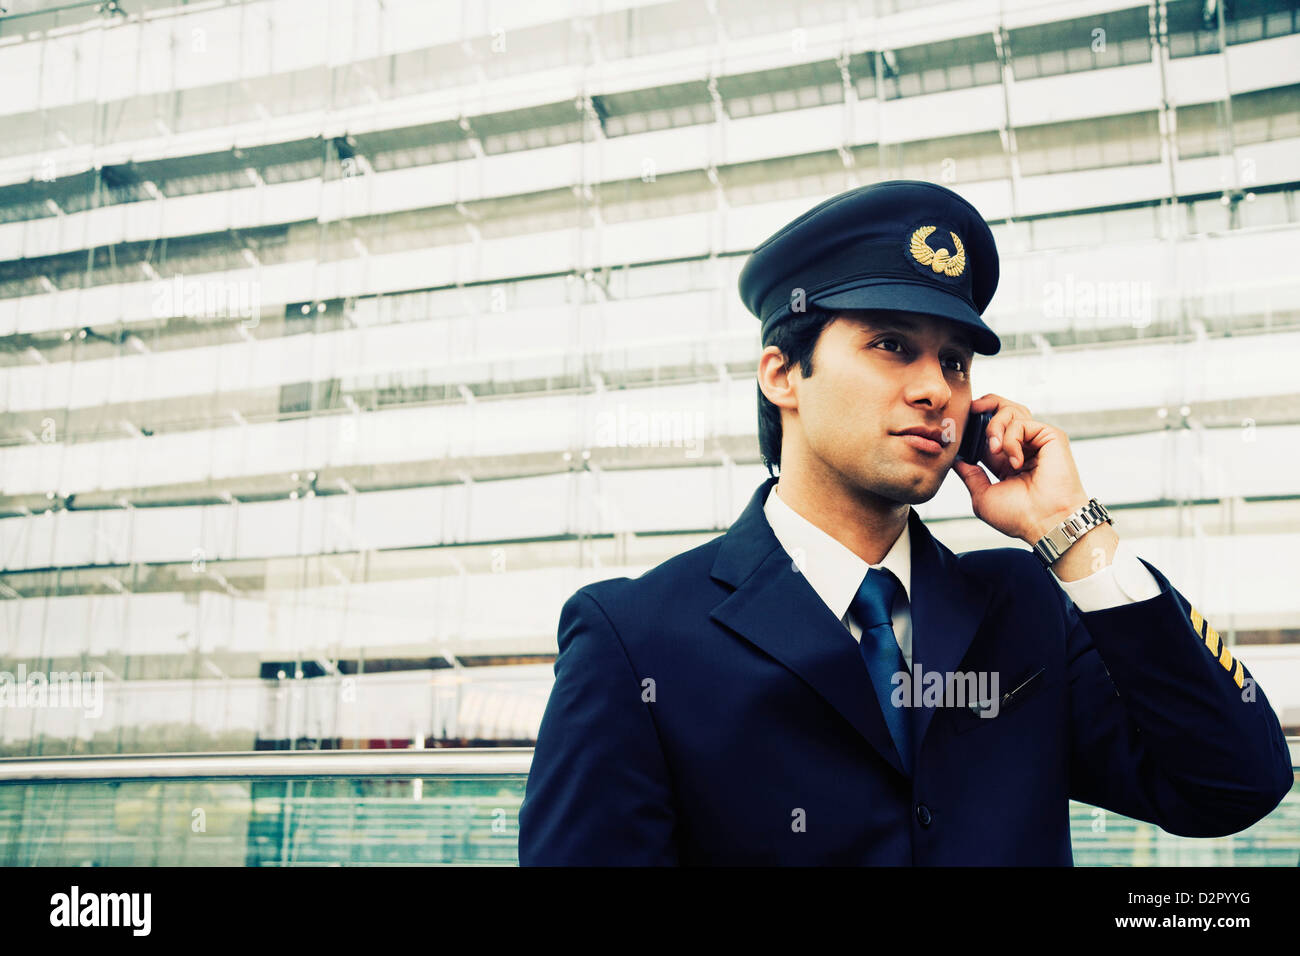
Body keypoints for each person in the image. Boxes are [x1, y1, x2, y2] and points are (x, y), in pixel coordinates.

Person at [517, 180, 1293, 865]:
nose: (937, 390)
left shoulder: (1021, 606)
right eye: (891, 344)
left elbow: (1235, 783)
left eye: (955, 361)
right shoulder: (636, 639)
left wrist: (1071, 528)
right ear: (783, 374)